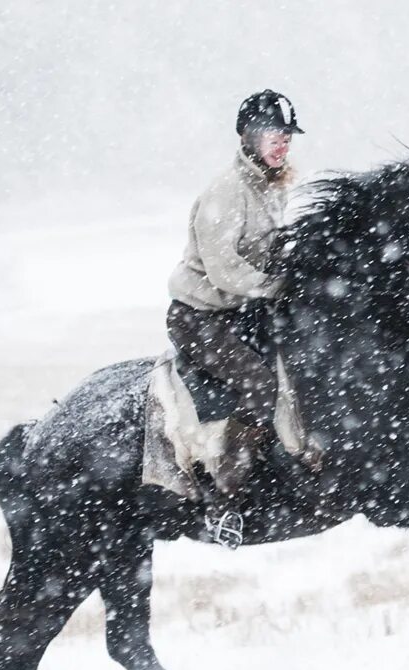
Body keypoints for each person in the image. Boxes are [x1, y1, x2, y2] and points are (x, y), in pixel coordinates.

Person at [166, 89, 303, 547]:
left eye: (287, 137)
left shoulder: (271, 187)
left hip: (240, 311)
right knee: (259, 385)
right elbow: (224, 270)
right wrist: (275, 286)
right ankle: (225, 503)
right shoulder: (227, 192)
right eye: (274, 136)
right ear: (249, 138)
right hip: (200, 317)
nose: (282, 144)